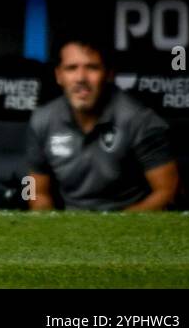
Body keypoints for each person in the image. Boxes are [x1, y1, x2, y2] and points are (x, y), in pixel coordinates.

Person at [26, 36, 178, 211]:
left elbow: (167, 191)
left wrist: (117, 229)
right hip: (71, 227)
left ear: (109, 74)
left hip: (129, 225)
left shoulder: (140, 120)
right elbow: (36, 192)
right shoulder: (42, 119)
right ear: (59, 75)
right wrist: (50, 230)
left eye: (92, 67)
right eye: (71, 68)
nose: (81, 78)